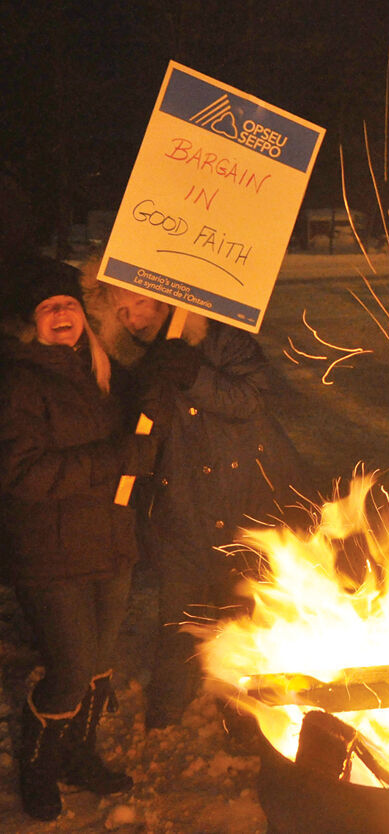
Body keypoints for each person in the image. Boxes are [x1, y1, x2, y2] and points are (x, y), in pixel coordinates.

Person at [102, 281, 311, 731]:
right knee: (179, 619)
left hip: (244, 504)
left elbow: (253, 399)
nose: (135, 318)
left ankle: (243, 714)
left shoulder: (222, 341)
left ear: (162, 296)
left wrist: (194, 377)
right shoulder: (131, 365)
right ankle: (167, 706)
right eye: (122, 313)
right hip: (180, 513)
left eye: (139, 302)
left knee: (241, 618)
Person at [0, 256, 157, 820]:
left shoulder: (100, 369)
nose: (60, 313)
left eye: (67, 304)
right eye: (47, 309)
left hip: (110, 542)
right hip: (51, 551)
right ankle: (39, 768)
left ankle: (77, 755)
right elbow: (24, 474)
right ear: (31, 324)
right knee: (70, 667)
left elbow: (141, 418)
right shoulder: (20, 380)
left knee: (97, 665)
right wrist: (118, 457)